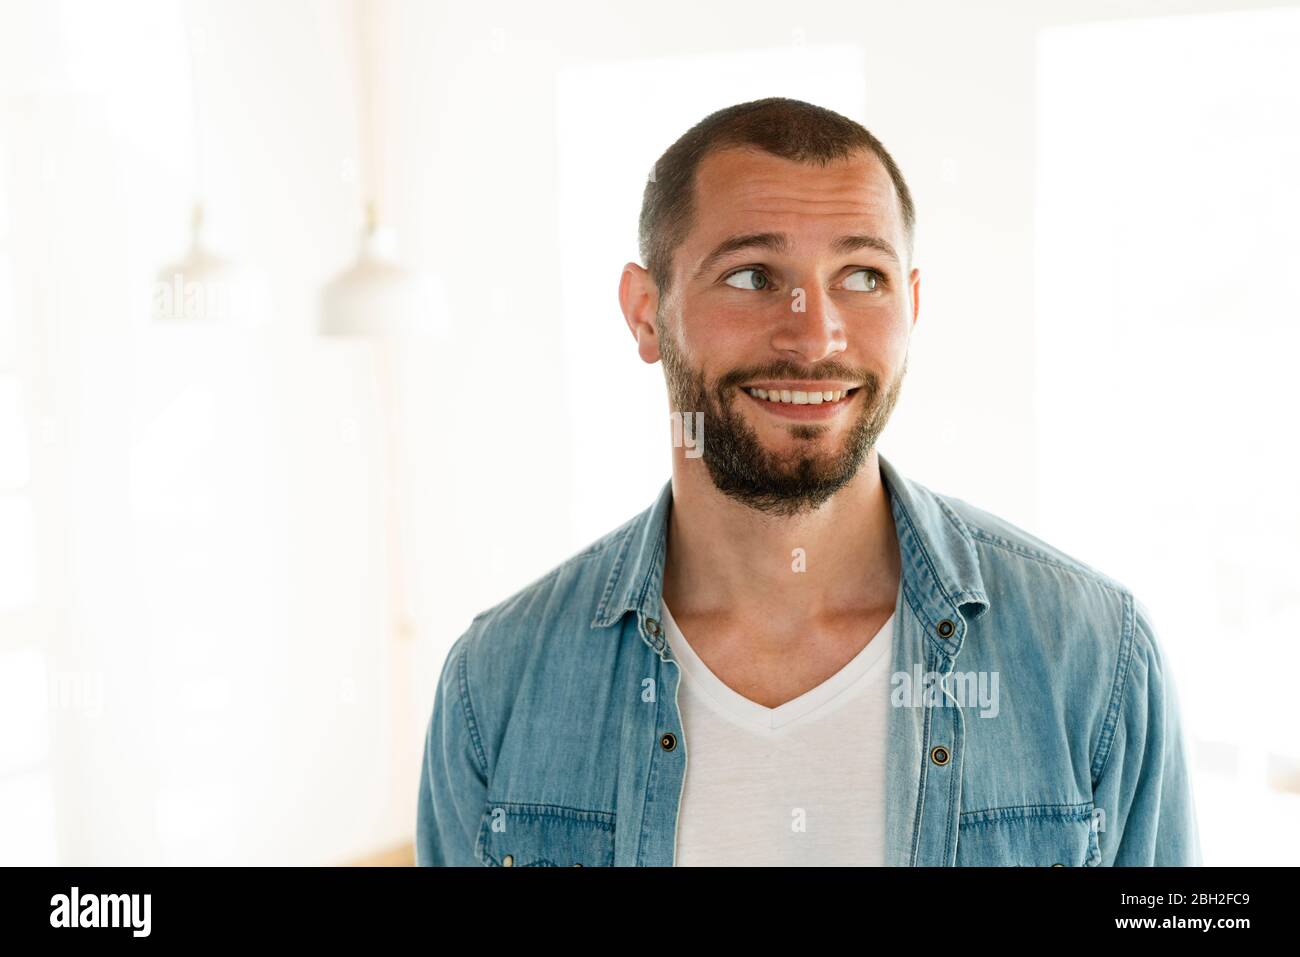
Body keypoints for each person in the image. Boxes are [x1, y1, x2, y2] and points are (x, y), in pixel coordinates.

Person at [415, 96, 1201, 866]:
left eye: (862, 277)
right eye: (754, 274)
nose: (816, 333)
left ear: (913, 307)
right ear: (647, 313)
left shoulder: (1095, 656)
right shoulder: (497, 686)